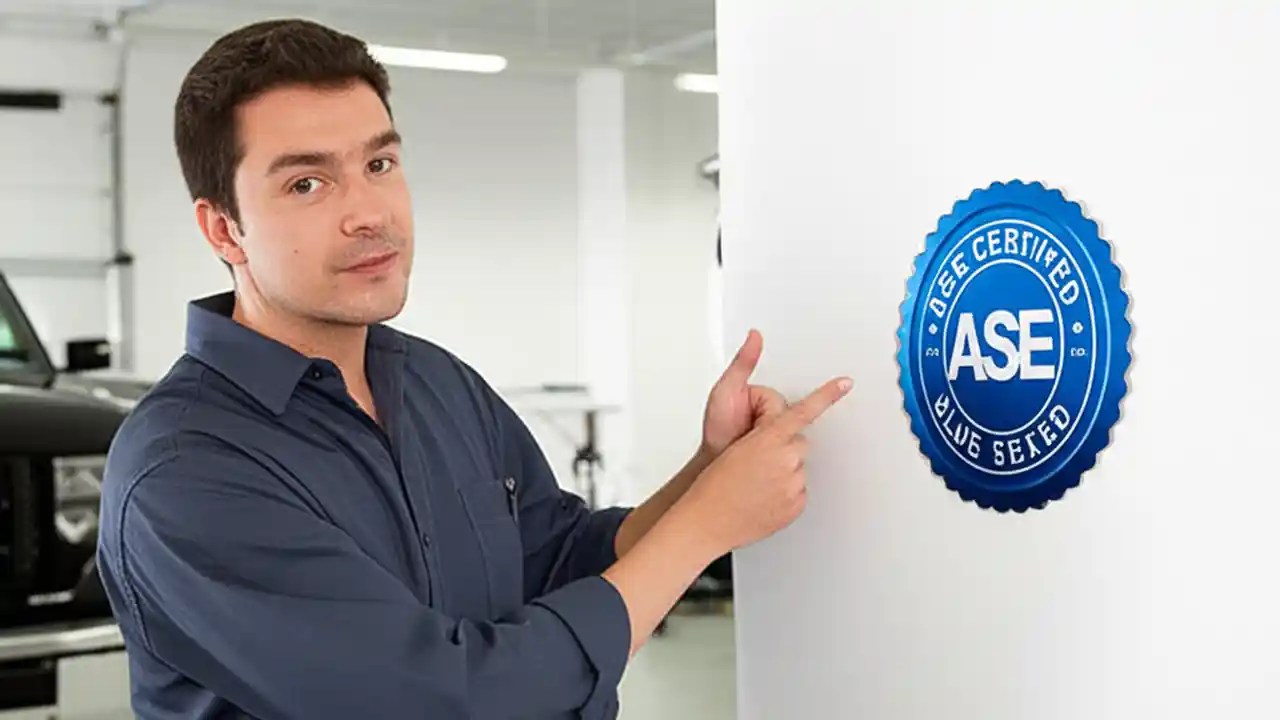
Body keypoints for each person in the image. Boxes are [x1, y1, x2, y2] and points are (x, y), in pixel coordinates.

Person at [95, 18, 853, 720]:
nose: (370, 211)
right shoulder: (185, 471)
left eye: (380, 163)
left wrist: (709, 470)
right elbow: (448, 698)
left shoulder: (434, 383)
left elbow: (565, 563)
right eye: (307, 183)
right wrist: (706, 526)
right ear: (224, 227)